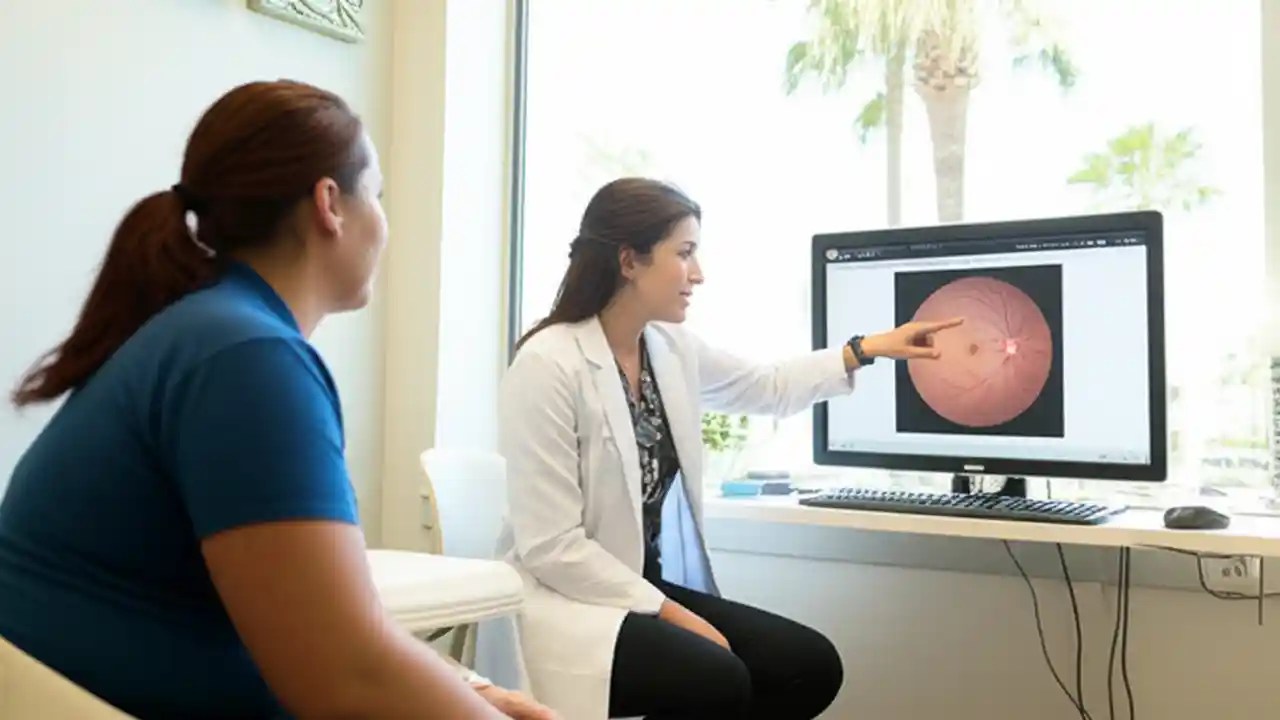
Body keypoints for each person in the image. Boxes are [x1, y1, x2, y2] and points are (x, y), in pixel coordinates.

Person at [0, 80, 555, 720]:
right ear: (330, 204)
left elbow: (324, 626)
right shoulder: (245, 356)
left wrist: (475, 694)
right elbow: (347, 677)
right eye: (376, 195)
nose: (383, 222)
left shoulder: (210, 333)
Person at [496, 177, 964, 720]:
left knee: (808, 665)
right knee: (716, 679)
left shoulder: (667, 347)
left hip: (638, 587)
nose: (698, 274)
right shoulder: (548, 364)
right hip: (567, 600)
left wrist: (866, 350)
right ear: (629, 261)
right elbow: (552, 549)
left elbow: (762, 386)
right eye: (685, 253)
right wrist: (674, 614)